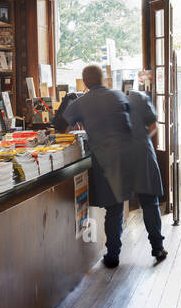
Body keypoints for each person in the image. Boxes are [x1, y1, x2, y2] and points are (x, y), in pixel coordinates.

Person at [51, 64, 165, 267]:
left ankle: (113, 255)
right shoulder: (120, 96)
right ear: (103, 79)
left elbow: (62, 129)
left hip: (110, 159)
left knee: (114, 208)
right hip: (137, 153)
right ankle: (158, 247)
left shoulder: (81, 102)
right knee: (149, 201)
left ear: (85, 82)